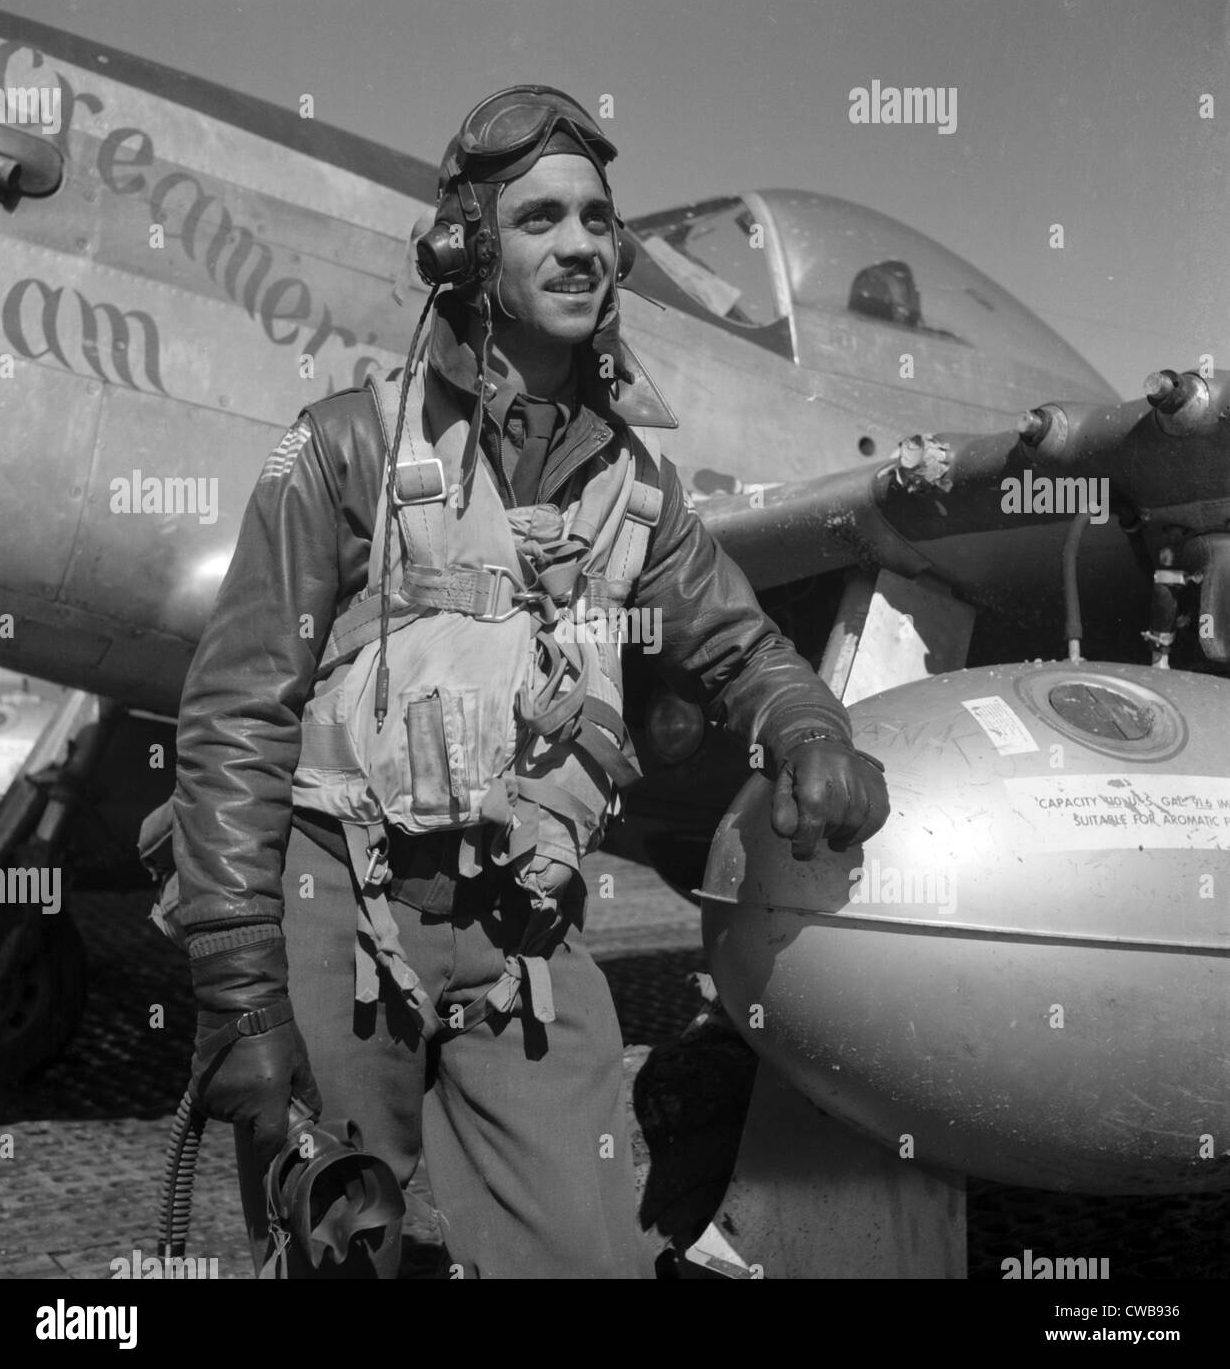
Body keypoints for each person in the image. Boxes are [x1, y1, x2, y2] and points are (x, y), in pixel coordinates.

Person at [169, 85, 889, 1279]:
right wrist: (237, 992)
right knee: (345, 1257)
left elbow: (740, 647)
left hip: (522, 933)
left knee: (587, 1253)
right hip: (343, 910)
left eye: (598, 222)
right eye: (540, 217)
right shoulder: (345, 446)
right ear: (466, 248)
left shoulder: (636, 489)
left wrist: (807, 725)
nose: (580, 246)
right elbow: (234, 714)